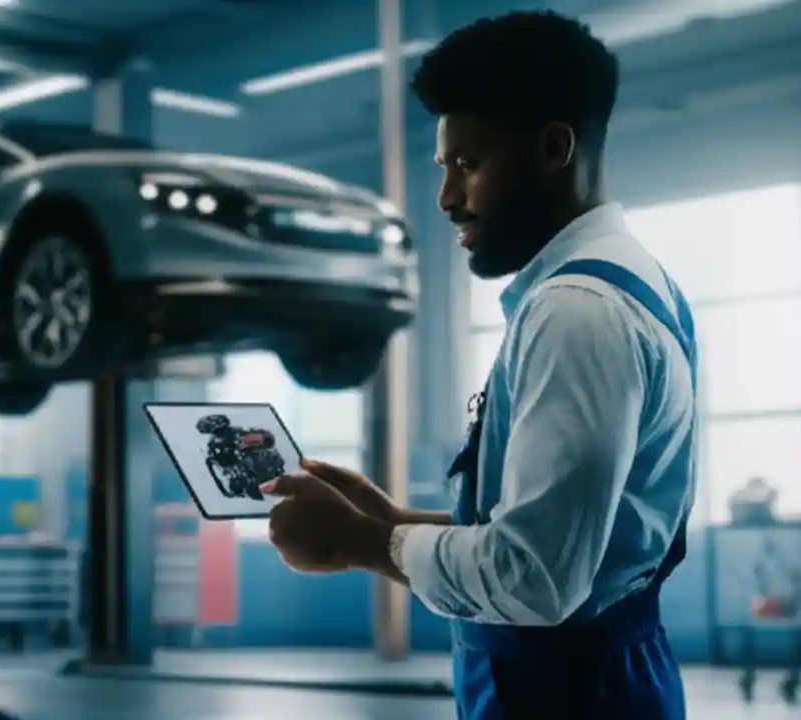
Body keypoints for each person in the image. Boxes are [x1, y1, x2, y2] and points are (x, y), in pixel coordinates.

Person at [259, 10, 697, 718]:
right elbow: (563, 529)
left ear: (555, 147)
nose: (447, 198)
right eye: (444, 167)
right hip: (600, 679)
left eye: (469, 164)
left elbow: (537, 578)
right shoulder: (632, 280)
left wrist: (360, 541)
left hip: (568, 698)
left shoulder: (577, 313)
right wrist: (395, 520)